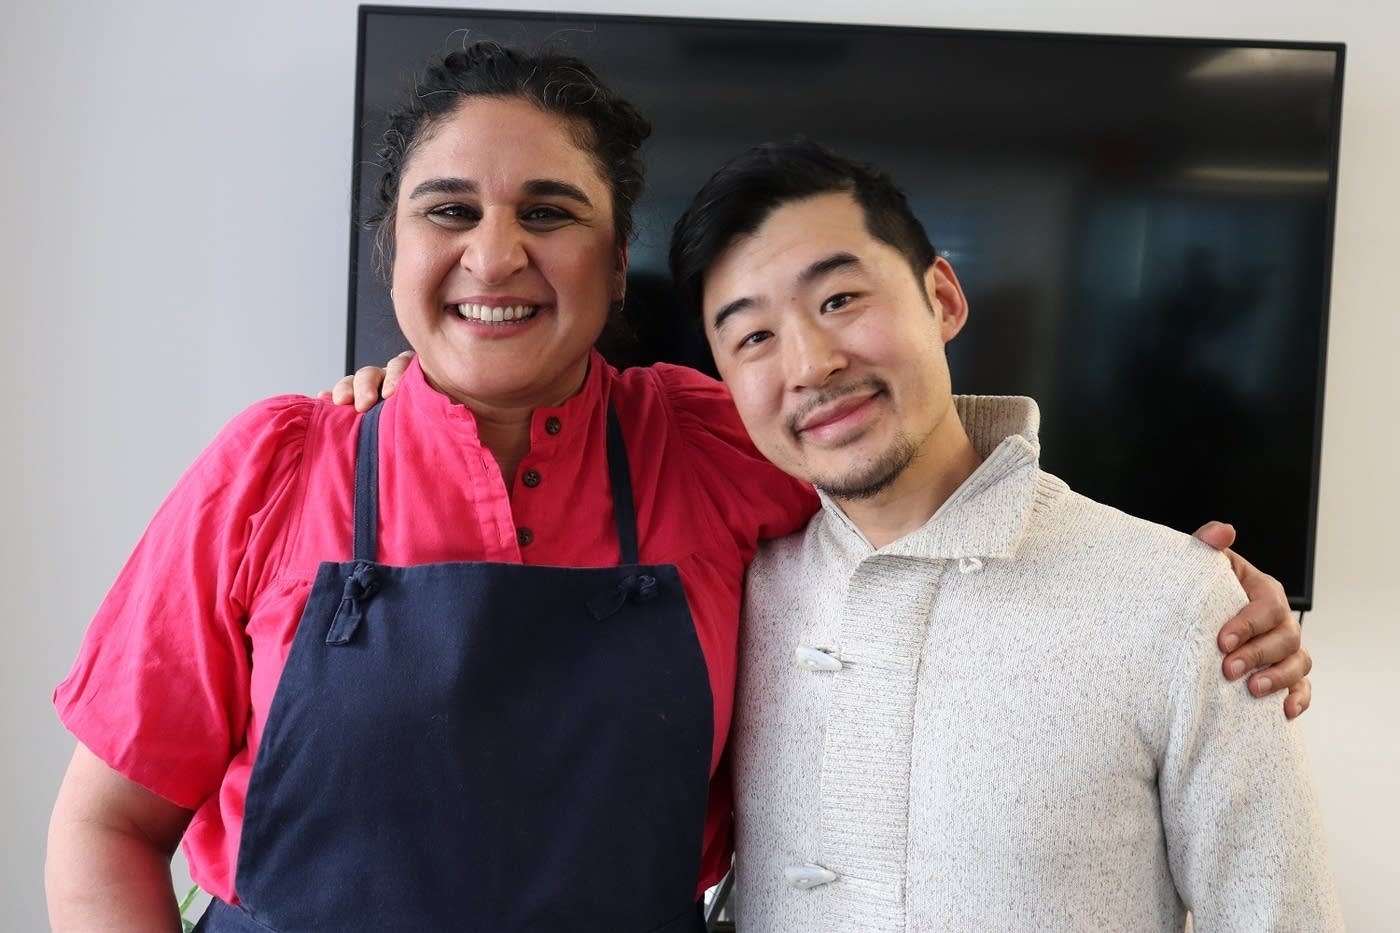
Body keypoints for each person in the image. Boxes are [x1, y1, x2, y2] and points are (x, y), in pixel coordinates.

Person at [46, 42, 1305, 933]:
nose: (495, 253)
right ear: (393, 249)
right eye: (449, 211)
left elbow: (908, 479)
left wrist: (1173, 586)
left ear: (613, 266)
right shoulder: (275, 468)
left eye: (550, 211)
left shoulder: (704, 443)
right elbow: (105, 831)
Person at [667, 140, 1342, 929]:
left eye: (840, 298)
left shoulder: (1179, 599)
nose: (811, 364)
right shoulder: (733, 594)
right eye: (753, 337)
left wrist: (1204, 592)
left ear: (943, 298)